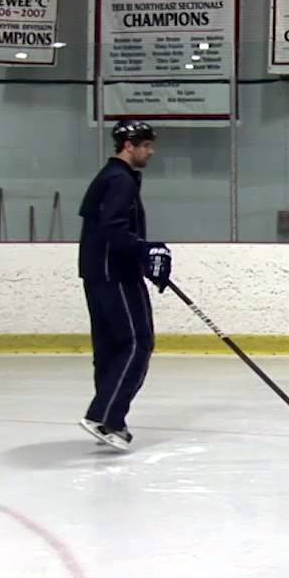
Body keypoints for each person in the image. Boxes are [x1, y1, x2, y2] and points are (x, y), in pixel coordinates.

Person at [76, 120, 172, 451]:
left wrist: (144, 257)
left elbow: (110, 231)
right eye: (145, 145)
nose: (151, 151)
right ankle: (104, 416)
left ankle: (110, 420)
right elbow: (113, 230)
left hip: (100, 274)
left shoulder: (111, 177)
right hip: (115, 275)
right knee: (137, 343)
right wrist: (147, 250)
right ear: (128, 146)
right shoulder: (120, 181)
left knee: (112, 347)